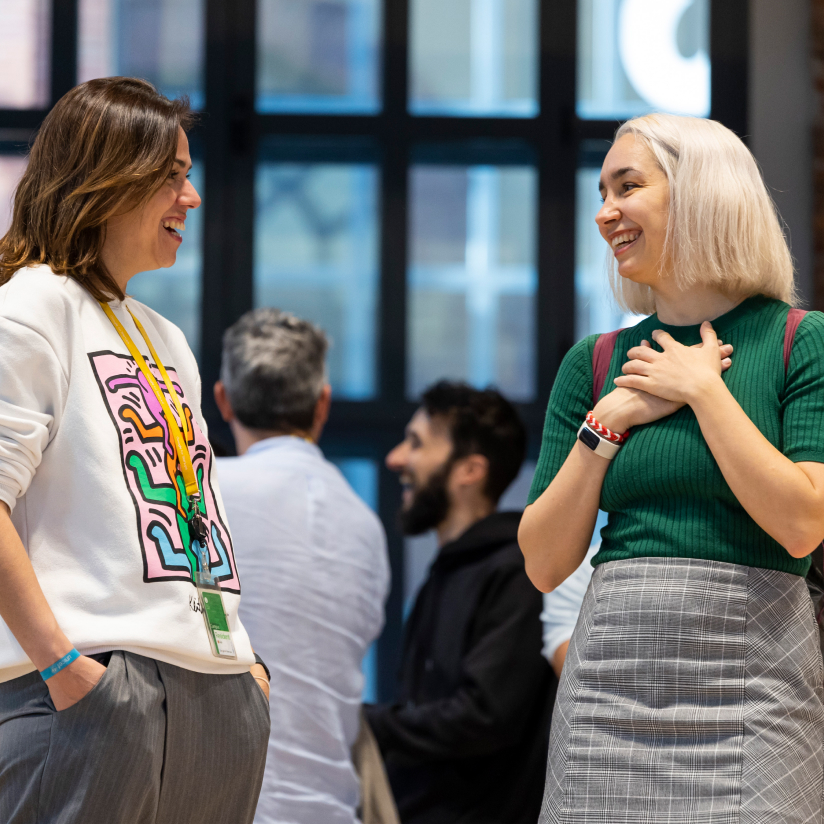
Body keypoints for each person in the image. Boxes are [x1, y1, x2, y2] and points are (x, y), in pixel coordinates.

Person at [519, 113, 824, 823]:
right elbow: (542, 562)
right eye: (602, 191)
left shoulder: (799, 343)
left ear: (702, 194)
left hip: (757, 682)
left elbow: (802, 524)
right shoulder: (593, 363)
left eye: (628, 186)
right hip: (606, 687)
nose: (605, 213)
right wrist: (609, 423)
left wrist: (703, 391)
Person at [0, 78, 269, 824]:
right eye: (172, 175)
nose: (192, 197)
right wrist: (62, 665)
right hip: (92, 688)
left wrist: (245, 669)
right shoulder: (29, 305)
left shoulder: (165, 337)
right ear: (104, 179)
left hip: (215, 686)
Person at [214, 308, 391, 824]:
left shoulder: (204, 496)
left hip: (226, 804)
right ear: (323, 405)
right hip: (334, 806)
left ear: (223, 400)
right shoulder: (365, 526)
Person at [366, 381, 556, 824]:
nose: (396, 459)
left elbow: (484, 716)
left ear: (469, 470)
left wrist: (366, 723)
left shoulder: (516, 573)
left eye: (416, 443)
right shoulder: (448, 571)